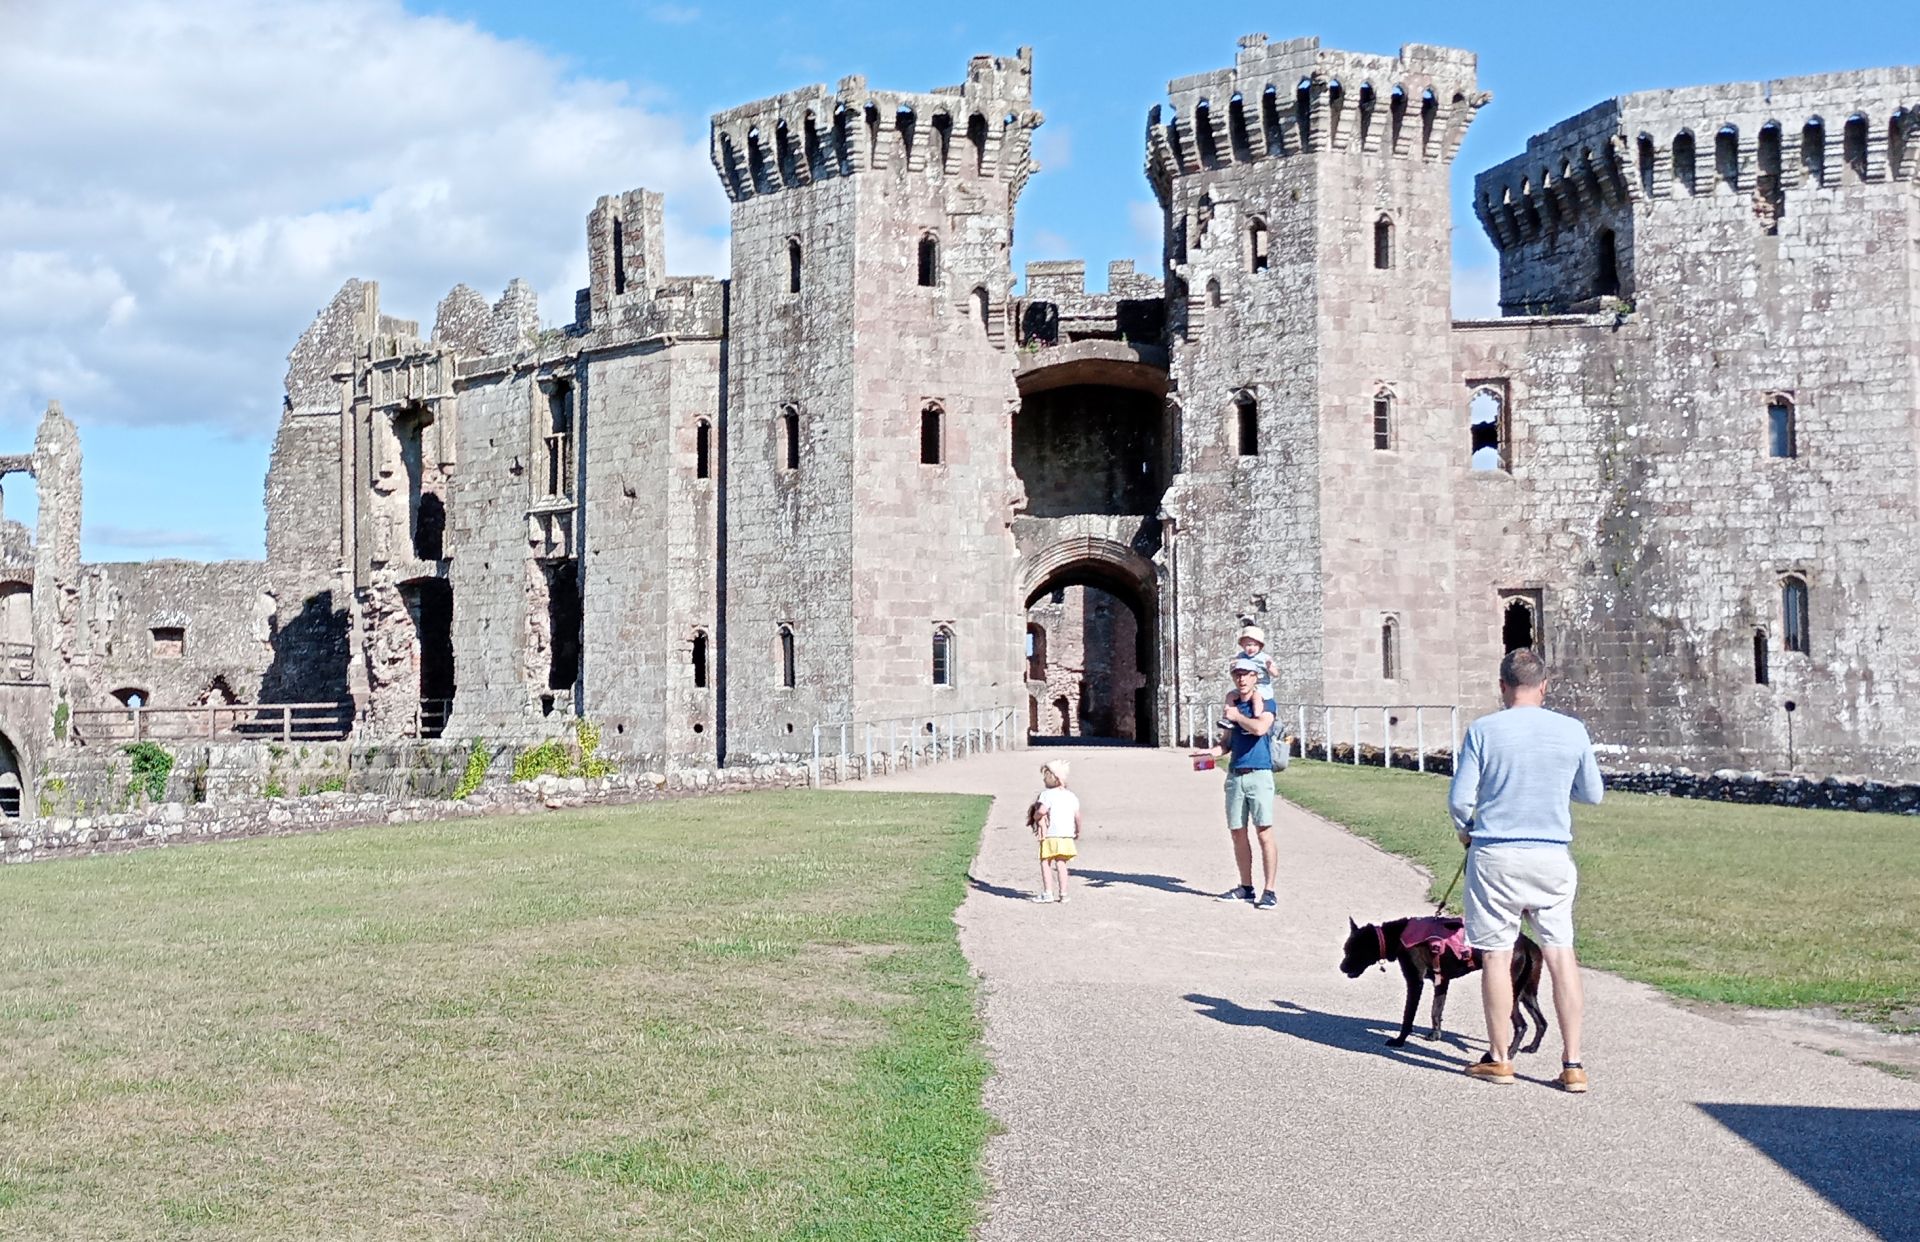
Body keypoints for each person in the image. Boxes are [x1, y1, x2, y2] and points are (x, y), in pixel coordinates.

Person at [1447, 648, 1604, 1091]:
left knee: (1497, 955)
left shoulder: (1484, 730)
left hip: (1497, 853)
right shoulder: (1572, 730)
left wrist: (1466, 831)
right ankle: (1573, 1062)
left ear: (1502, 686)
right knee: (1560, 952)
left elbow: (1460, 800)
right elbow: (1592, 793)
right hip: (1551, 854)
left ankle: (1500, 1058)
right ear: (1544, 685)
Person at [1216, 657, 1280, 909]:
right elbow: (1227, 743)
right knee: (1237, 832)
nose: (1241, 679)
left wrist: (1236, 716)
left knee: (1264, 832)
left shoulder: (1266, 702)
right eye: (1237, 675)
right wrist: (1209, 753)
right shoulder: (1232, 705)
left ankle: (1270, 891)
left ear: (1255, 677)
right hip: (1235, 774)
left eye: (1246, 674)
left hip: (1259, 774)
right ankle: (1246, 887)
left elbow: (1260, 728)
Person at [1028, 759, 1081, 904]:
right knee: (1061, 863)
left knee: (1046, 862)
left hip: (1050, 834)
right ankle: (1063, 894)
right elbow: (1077, 816)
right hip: (1066, 835)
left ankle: (1048, 892)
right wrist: (1077, 831)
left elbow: (1042, 810)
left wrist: (1035, 816)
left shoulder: (1047, 795)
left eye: (1045, 776)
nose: (1044, 779)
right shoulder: (1071, 796)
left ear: (1052, 778)